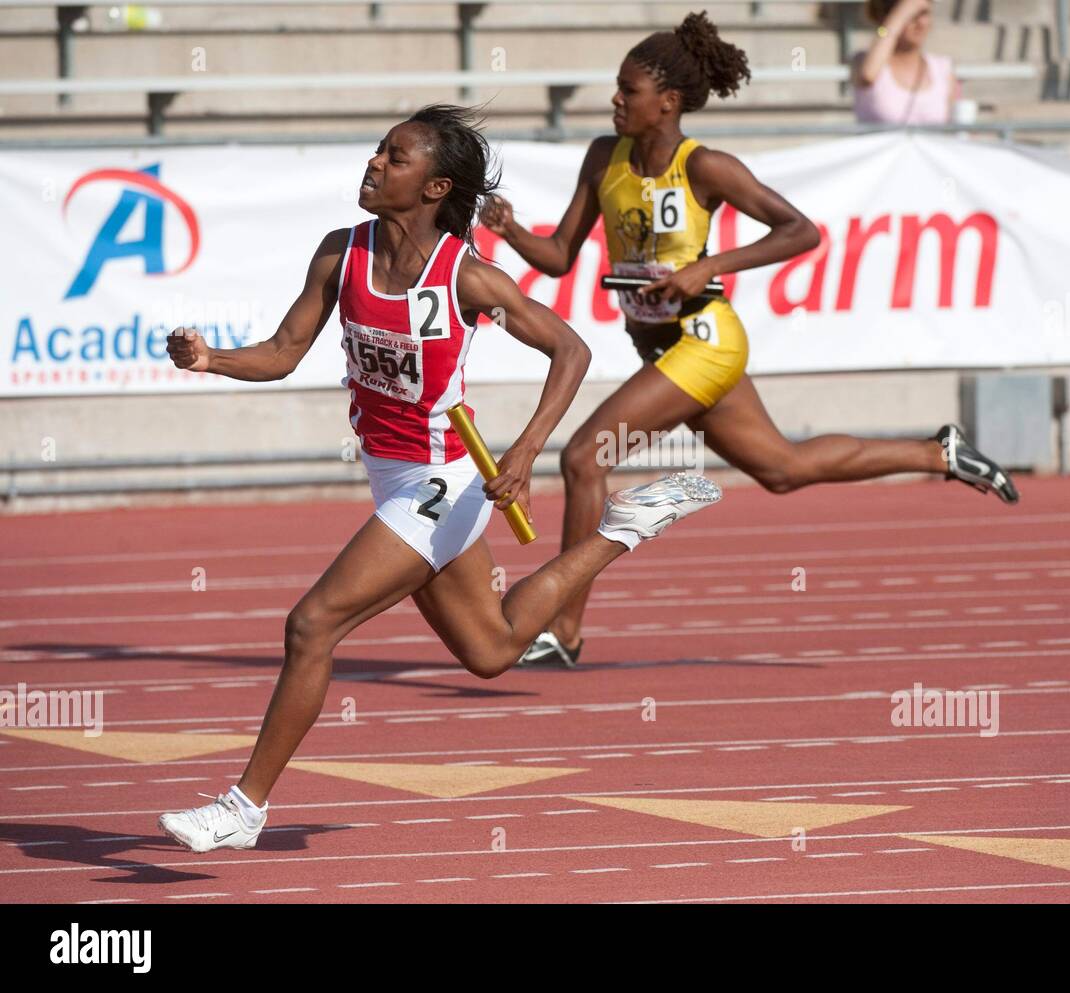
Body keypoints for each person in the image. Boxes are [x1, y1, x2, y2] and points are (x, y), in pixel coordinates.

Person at [155, 105, 721, 853]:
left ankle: (244, 805)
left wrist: (523, 452)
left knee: (311, 624)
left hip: (443, 481)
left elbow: (572, 350)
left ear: (435, 187)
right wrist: (212, 359)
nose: (375, 164)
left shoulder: (467, 277)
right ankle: (629, 524)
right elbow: (285, 351)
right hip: (390, 478)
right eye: (378, 150)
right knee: (493, 651)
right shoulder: (341, 253)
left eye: (395, 157)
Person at [479, 12, 1016, 669]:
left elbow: (801, 230)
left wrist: (707, 267)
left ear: (667, 103)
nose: (615, 100)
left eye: (628, 90)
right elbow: (561, 255)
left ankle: (562, 628)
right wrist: (509, 231)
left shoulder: (704, 165)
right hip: (661, 350)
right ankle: (938, 453)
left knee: (586, 458)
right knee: (782, 470)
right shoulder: (603, 157)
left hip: (705, 341)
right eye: (616, 89)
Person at [851, 0, 957, 125]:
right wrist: (901, 13)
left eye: (925, 14)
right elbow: (867, 76)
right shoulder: (864, 61)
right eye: (912, 16)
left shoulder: (941, 68)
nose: (920, 23)